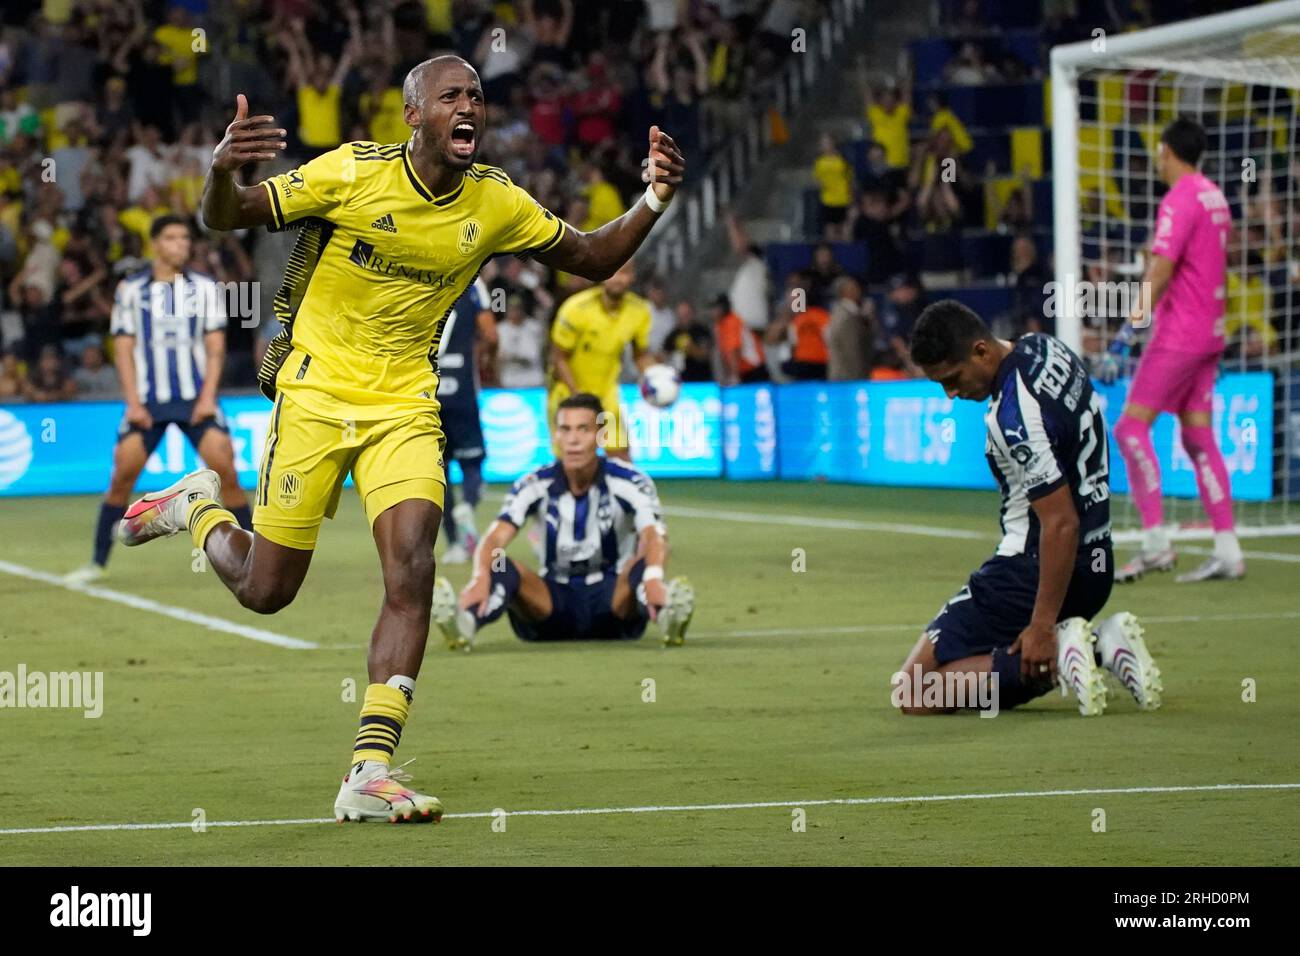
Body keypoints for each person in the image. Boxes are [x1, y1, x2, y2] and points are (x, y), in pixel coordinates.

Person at [116, 58, 686, 824]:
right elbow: (230, 214)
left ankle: (369, 770)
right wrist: (221, 171)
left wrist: (654, 196)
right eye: (452, 96)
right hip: (315, 394)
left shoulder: (496, 201)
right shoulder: (351, 172)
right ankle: (199, 509)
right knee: (266, 591)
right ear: (413, 114)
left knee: (412, 570)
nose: (470, 108)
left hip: (406, 405)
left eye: (478, 98)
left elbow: (592, 256)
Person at [898, 300, 1162, 716]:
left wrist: (1042, 627)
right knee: (969, 666)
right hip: (1097, 565)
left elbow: (1060, 523)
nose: (950, 393)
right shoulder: (1045, 348)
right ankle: (1099, 646)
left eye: (952, 378)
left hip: (1034, 571)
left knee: (915, 692)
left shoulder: (1015, 414)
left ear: (981, 351)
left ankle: (1072, 652)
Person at [430, 392, 694, 650]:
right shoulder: (533, 483)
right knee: (499, 564)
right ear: (555, 435)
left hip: (614, 603)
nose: (573, 440)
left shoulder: (630, 481)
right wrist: (480, 577)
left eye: (583, 429)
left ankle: (666, 615)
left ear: (601, 434)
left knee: (643, 562)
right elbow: (496, 537)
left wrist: (654, 576)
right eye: (565, 430)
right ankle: (465, 623)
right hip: (553, 604)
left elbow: (654, 534)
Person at [65, 215, 248, 586]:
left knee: (227, 472)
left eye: (185, 238)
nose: (181, 244)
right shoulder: (131, 290)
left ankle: (256, 553)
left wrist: (208, 397)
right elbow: (124, 348)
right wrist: (132, 403)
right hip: (147, 403)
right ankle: (97, 562)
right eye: (172, 238)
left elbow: (215, 348)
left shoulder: (205, 288)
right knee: (122, 477)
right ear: (155, 244)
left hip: (197, 400)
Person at [1103, 118, 1243, 584]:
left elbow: (1160, 272)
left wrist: (1126, 335)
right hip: (1212, 331)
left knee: (1129, 429)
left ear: (1165, 151)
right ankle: (1227, 549)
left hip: (1180, 334)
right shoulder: (1215, 195)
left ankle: (1156, 543)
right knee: (1198, 436)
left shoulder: (1180, 198)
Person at [547, 259, 652, 461]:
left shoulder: (640, 311)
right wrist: (579, 398)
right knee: (572, 462)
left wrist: (655, 376)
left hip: (606, 395)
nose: (618, 279)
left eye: (625, 273)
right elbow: (558, 358)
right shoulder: (576, 308)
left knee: (621, 458)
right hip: (569, 394)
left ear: (632, 277)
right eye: (613, 272)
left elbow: (641, 354)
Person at [436, 278, 496, 565]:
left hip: (427, 392)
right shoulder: (473, 282)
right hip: (462, 391)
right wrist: (487, 359)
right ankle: (468, 505)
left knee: (438, 473)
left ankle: (454, 545)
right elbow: (491, 334)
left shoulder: (419, 271)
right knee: (473, 465)